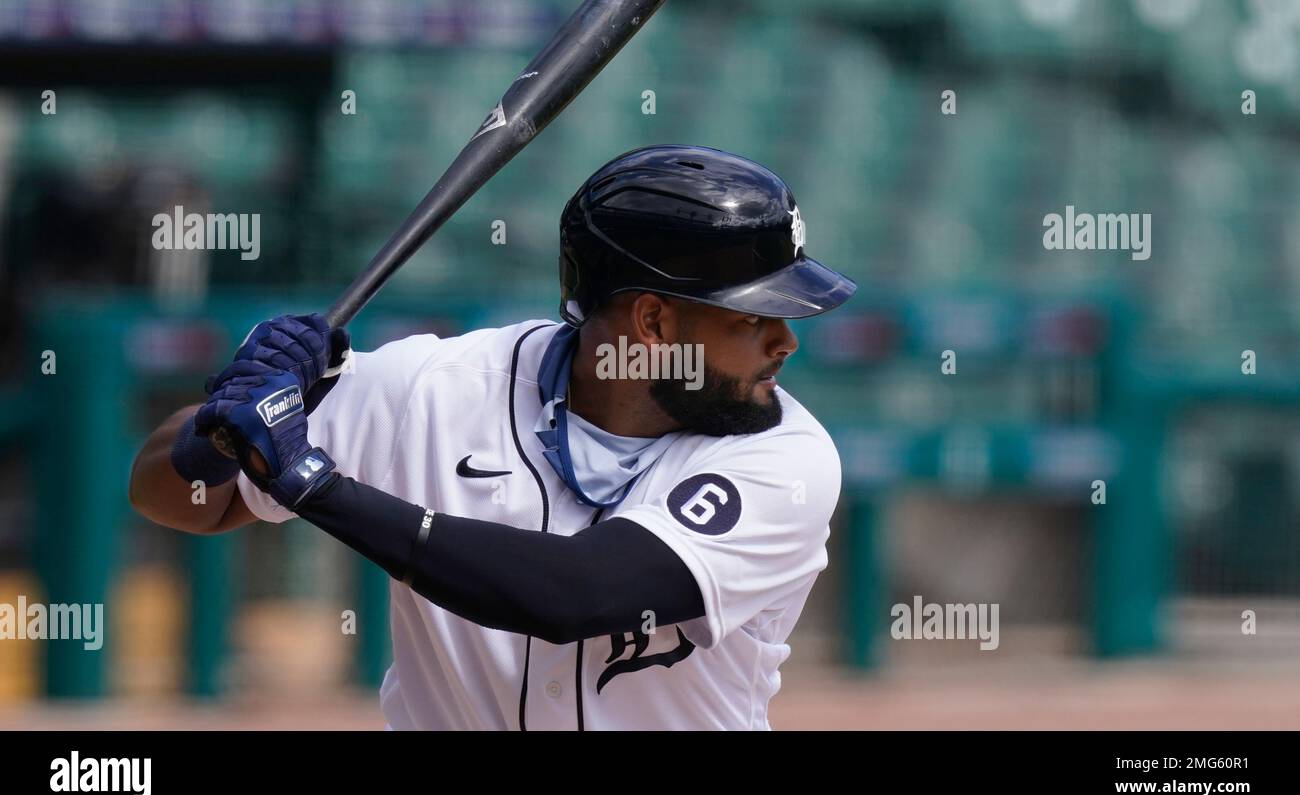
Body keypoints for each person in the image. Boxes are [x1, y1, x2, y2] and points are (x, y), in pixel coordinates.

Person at [130, 144, 857, 730]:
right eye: (751, 318)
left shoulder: (786, 458)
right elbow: (180, 497)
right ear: (654, 323)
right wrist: (218, 430)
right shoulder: (432, 387)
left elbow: (576, 592)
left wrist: (315, 485)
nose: (786, 342)